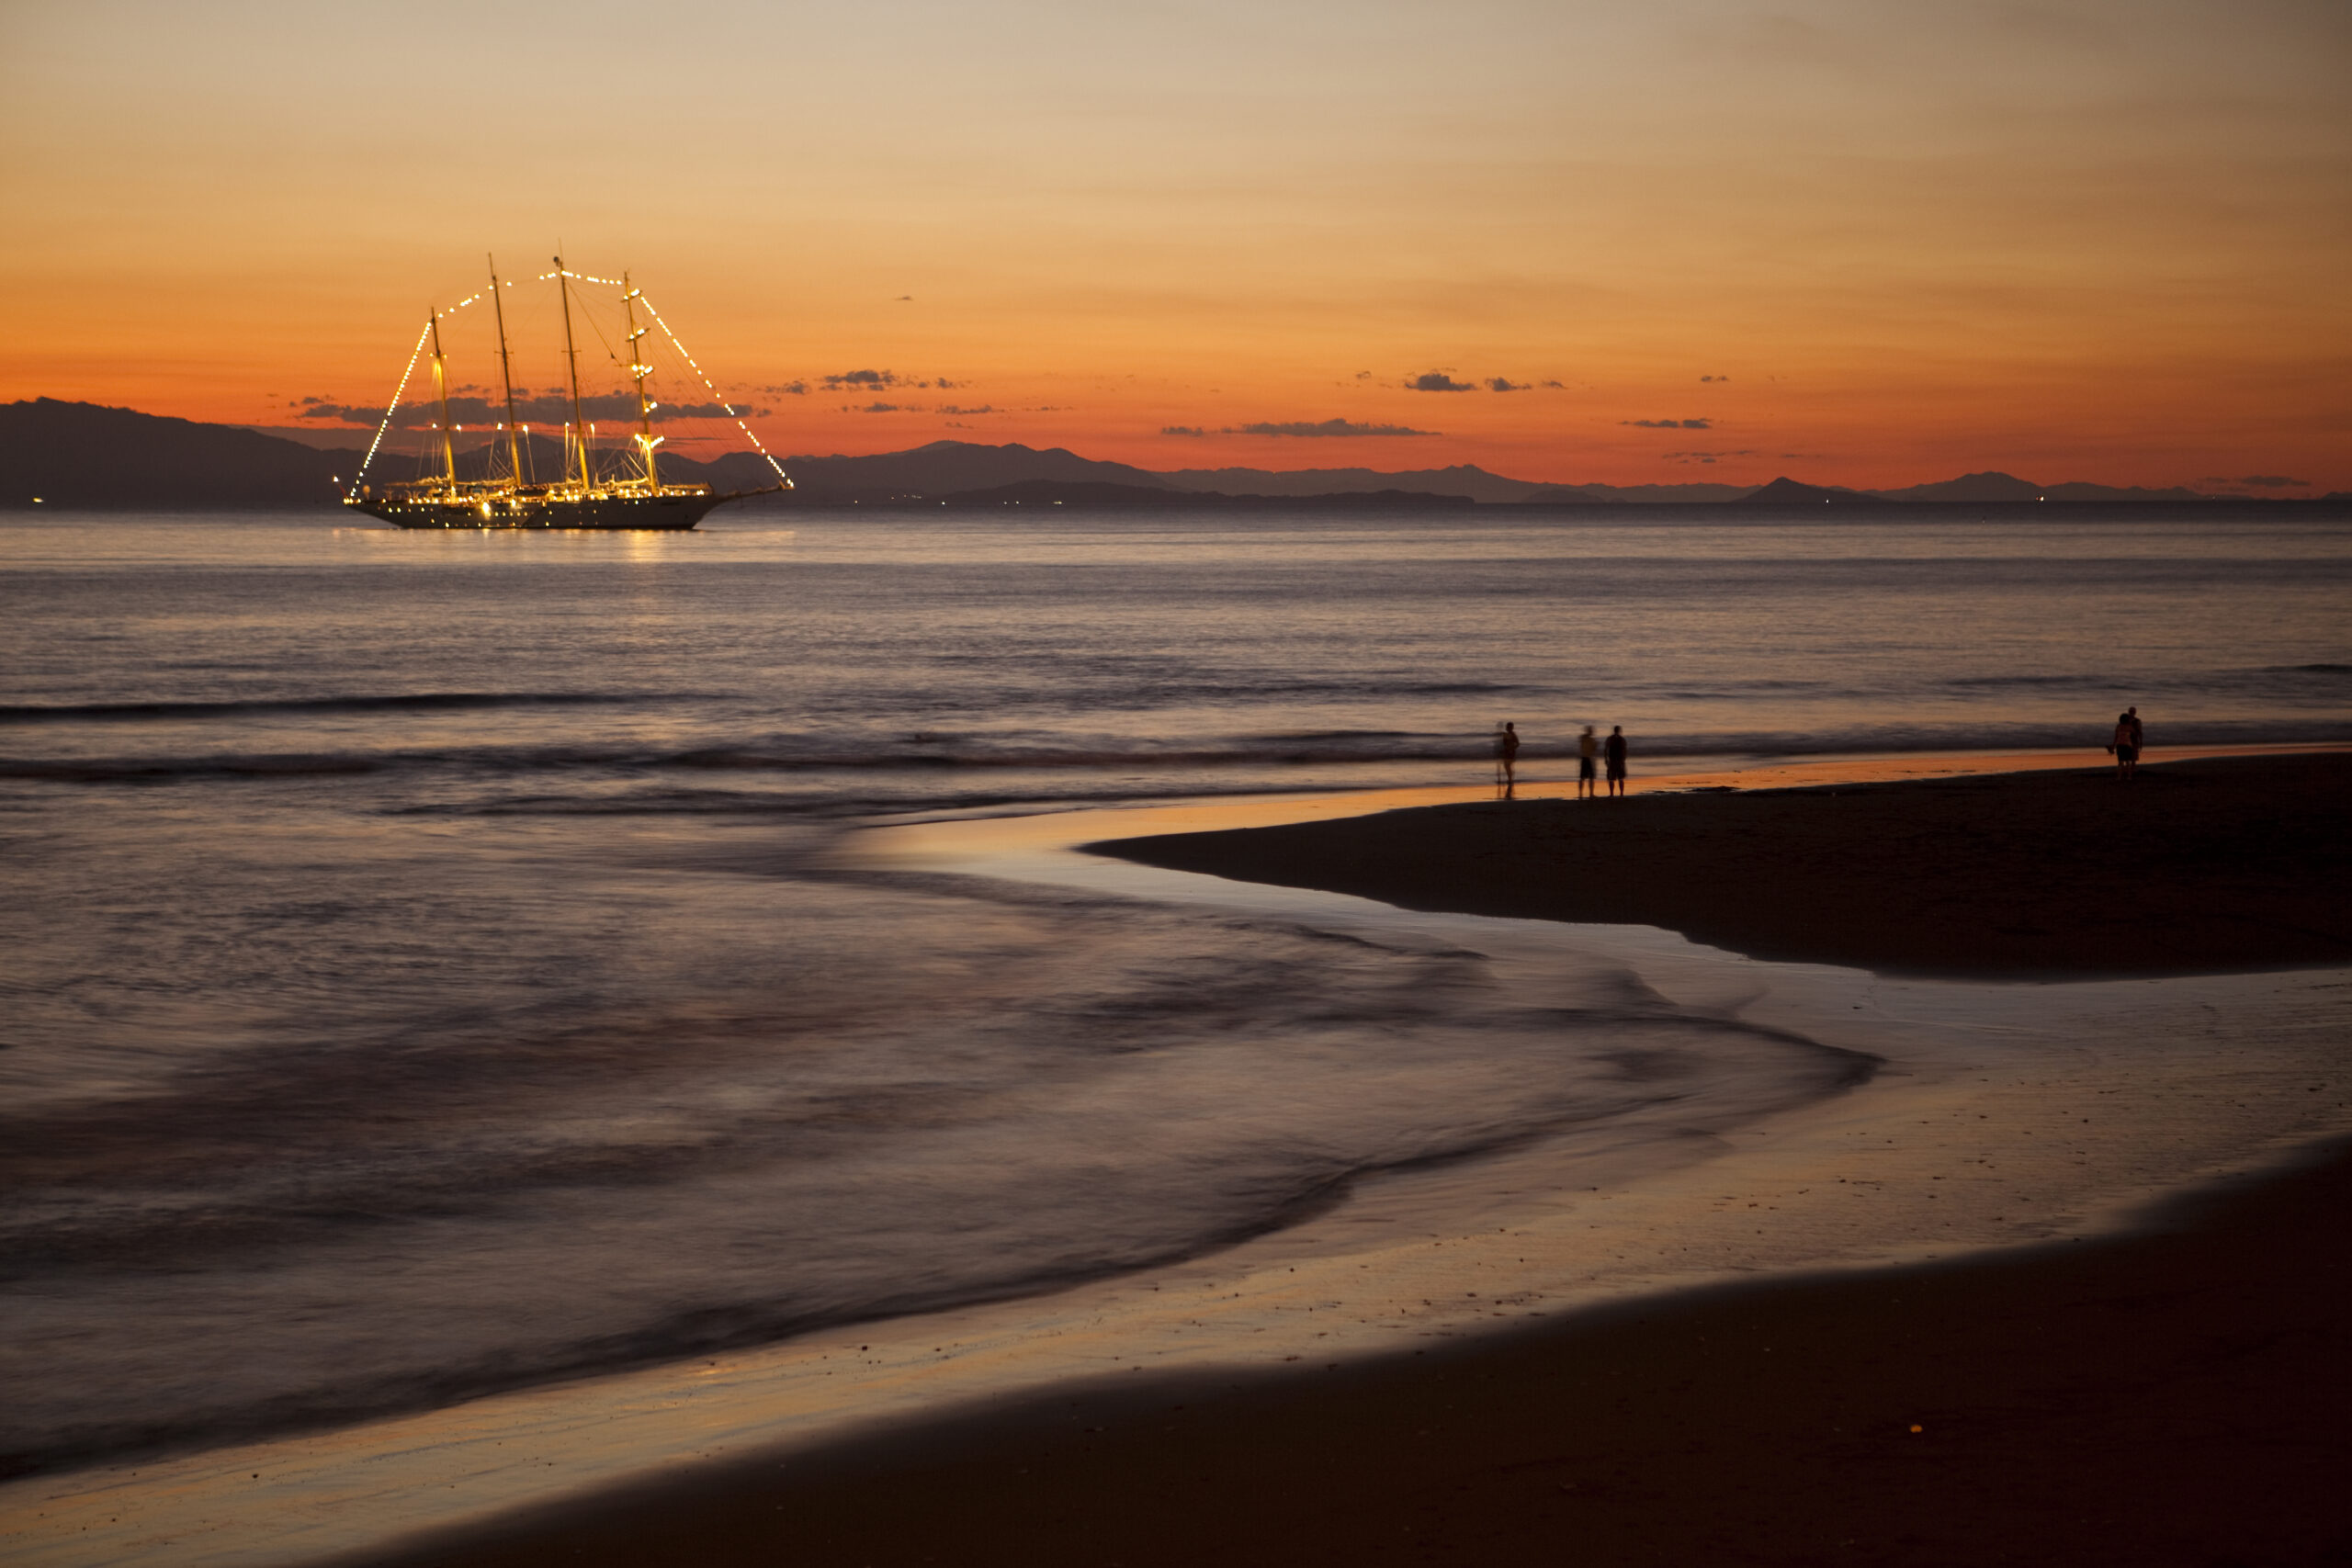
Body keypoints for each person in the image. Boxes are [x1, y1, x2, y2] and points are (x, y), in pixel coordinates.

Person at [2110, 707, 2140, 781]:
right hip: (2127, 745)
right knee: (2127, 762)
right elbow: (2135, 734)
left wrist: (2113, 747)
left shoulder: (2118, 726)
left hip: (2119, 745)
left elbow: (2116, 738)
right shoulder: (2129, 727)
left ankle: (2119, 777)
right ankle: (2129, 777)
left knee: (2120, 762)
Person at [1496, 722, 1521, 795]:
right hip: (1506, 752)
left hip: (1510, 752)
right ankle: (1510, 779)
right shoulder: (1505, 734)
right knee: (1507, 766)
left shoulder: (1512, 734)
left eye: (1509, 727)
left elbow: (1518, 744)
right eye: (1507, 727)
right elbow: (1502, 744)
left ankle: (1510, 780)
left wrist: (1511, 748)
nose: (1507, 728)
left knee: (1508, 766)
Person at [1603, 724, 1628, 797]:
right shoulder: (1622, 739)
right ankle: (1621, 793)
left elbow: (1606, 749)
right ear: (1619, 731)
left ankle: (1612, 794)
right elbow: (1625, 750)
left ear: (1614, 730)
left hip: (1612, 760)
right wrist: (1623, 759)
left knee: (1611, 778)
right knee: (1620, 778)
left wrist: (1606, 759)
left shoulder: (1610, 739)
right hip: (1619, 760)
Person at [1577, 725, 1599, 798]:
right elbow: (1594, 749)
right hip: (1587, 758)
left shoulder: (1585, 738)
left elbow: (1593, 749)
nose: (1592, 732)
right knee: (1588, 777)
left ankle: (1585, 794)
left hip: (1586, 758)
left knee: (1586, 777)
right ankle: (1587, 794)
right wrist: (1595, 745)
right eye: (1591, 730)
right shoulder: (1586, 738)